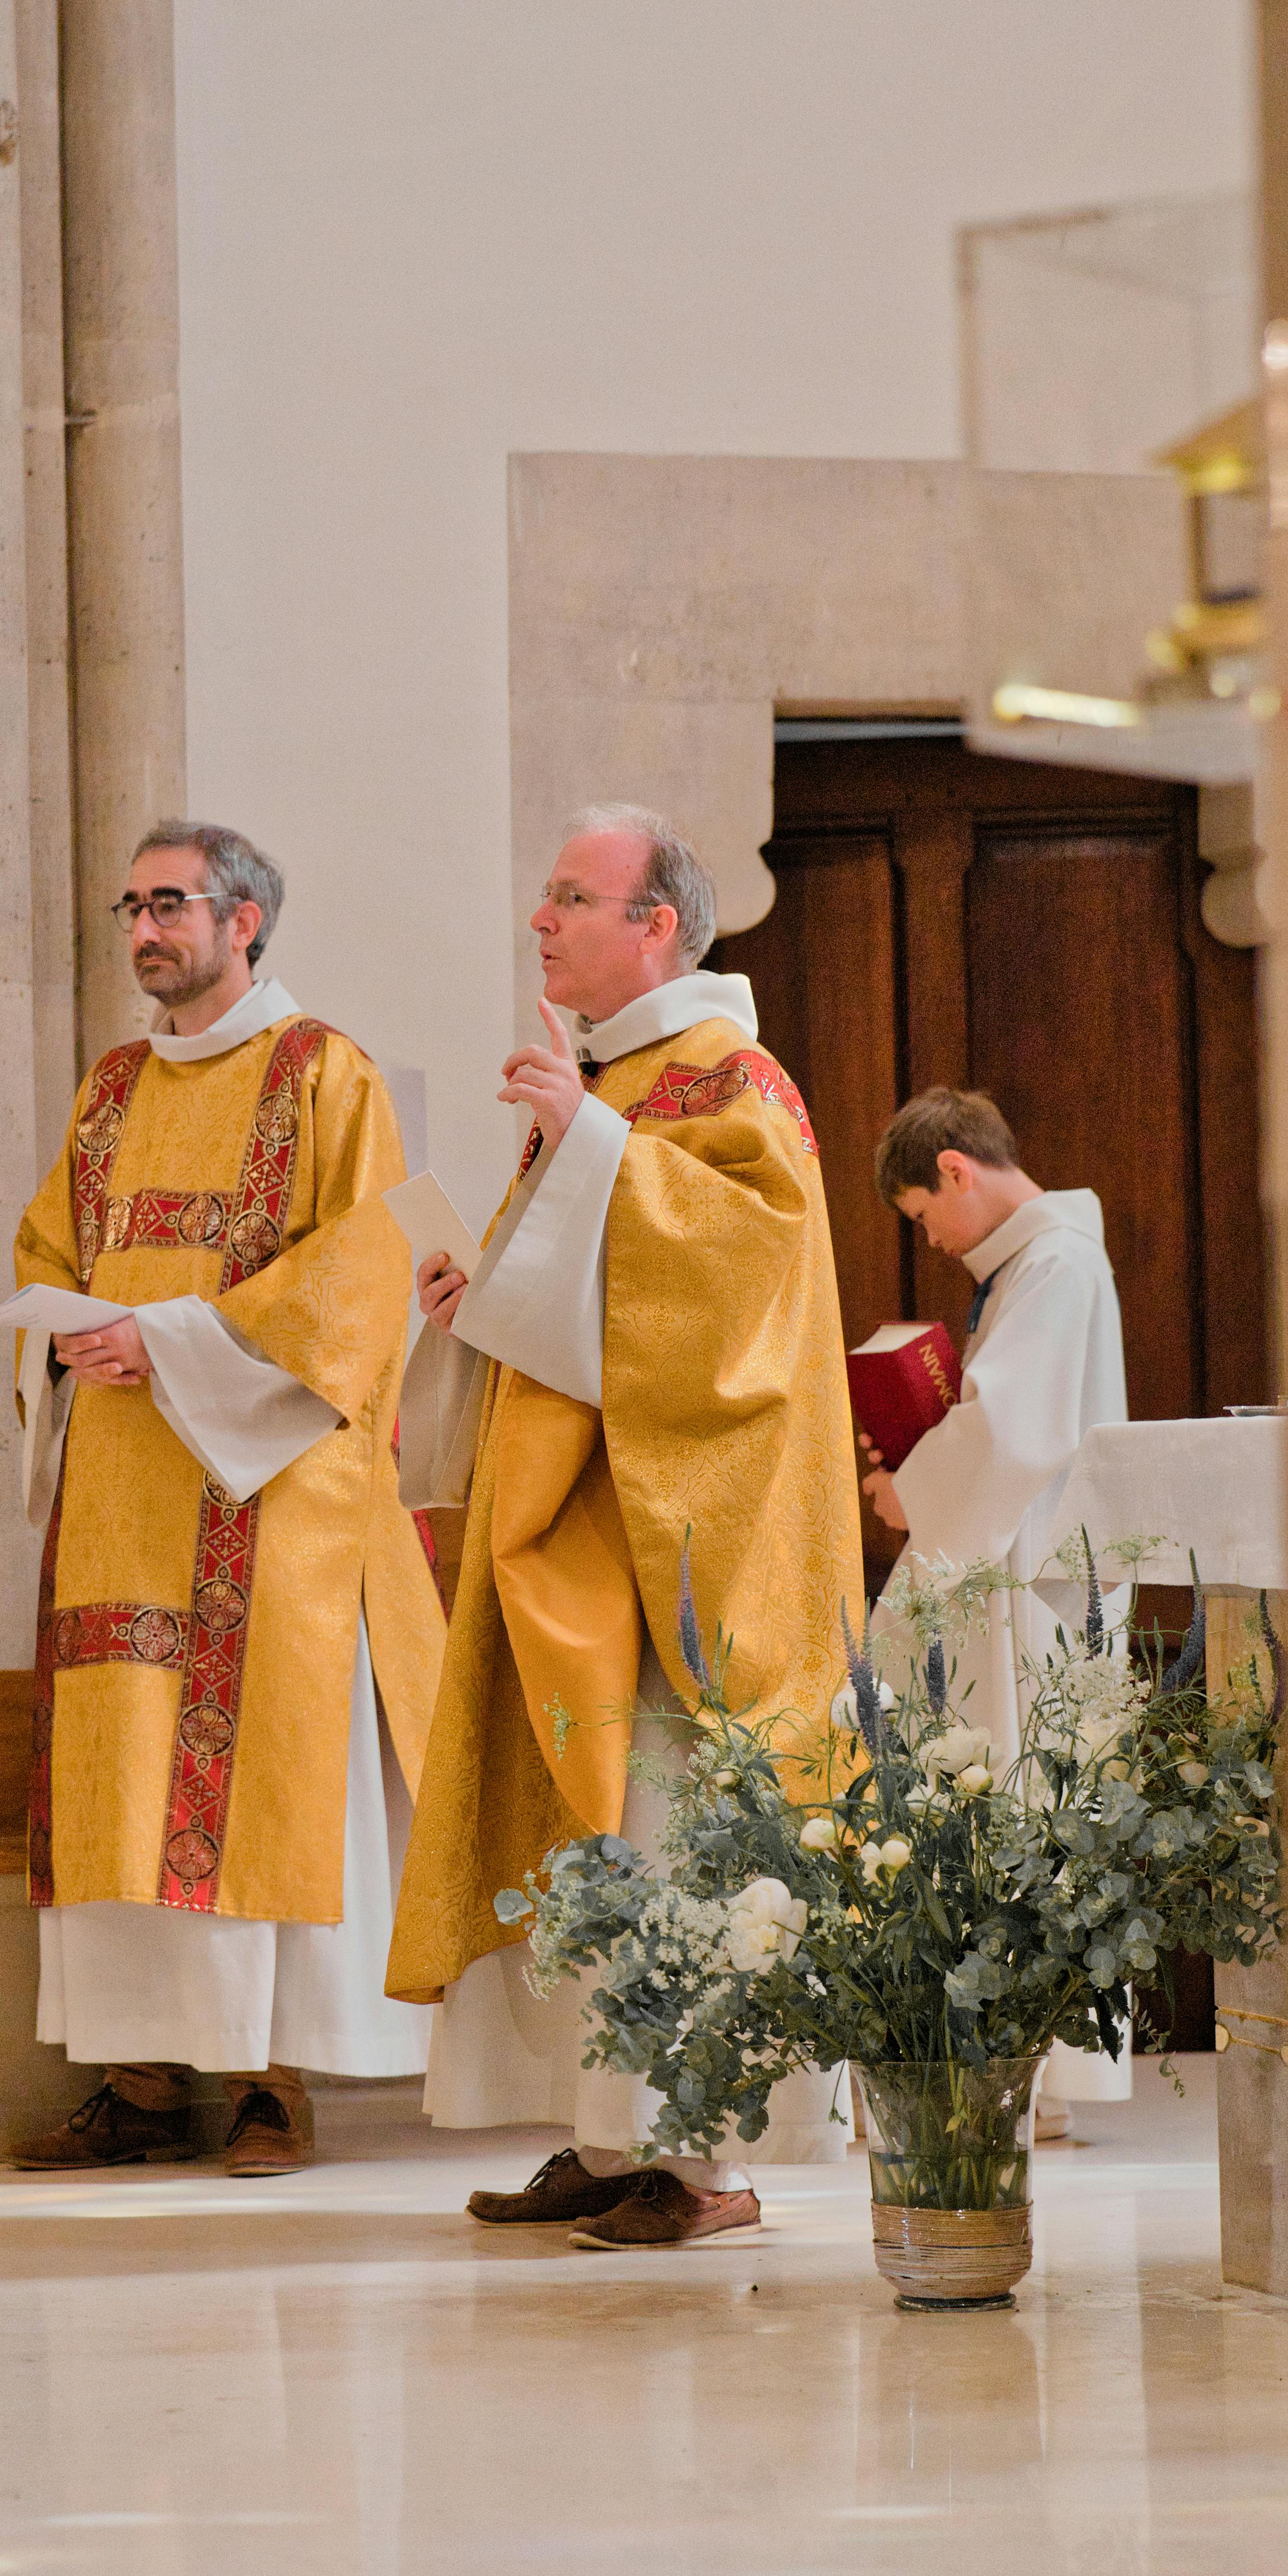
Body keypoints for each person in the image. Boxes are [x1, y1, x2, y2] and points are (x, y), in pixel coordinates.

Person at [385, 805, 862, 2249]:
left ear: (656, 924)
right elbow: (581, 1310)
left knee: (670, 1826)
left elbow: (742, 1292)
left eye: (572, 897)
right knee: (590, 1831)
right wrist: (488, 1302)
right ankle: (607, 2139)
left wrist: (587, 1141)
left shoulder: (734, 1079)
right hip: (580, 1524)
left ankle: (704, 2160)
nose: (542, 919)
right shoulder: (615, 1085)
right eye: (544, 896)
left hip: (688, 1540)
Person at [10, 820, 446, 2178]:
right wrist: (65, 1338)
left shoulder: (327, 1075)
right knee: (119, 1768)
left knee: (249, 1777)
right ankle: (141, 2080)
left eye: (172, 905)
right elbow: (49, 1249)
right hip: (124, 1492)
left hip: (266, 1498)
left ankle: (272, 2085)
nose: (147, 930)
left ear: (245, 919)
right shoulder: (110, 1086)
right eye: (132, 907)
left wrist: (173, 1346)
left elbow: (363, 1282)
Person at [863, 1084, 1130, 2117]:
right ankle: (1012, 2060)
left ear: (956, 1171)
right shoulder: (1036, 1263)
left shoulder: (1055, 1262)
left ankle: (1025, 2066)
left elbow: (1012, 1432)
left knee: (1019, 1801)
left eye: (924, 1216)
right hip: (1003, 1556)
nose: (930, 1241)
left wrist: (907, 1487)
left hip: (1025, 1573)